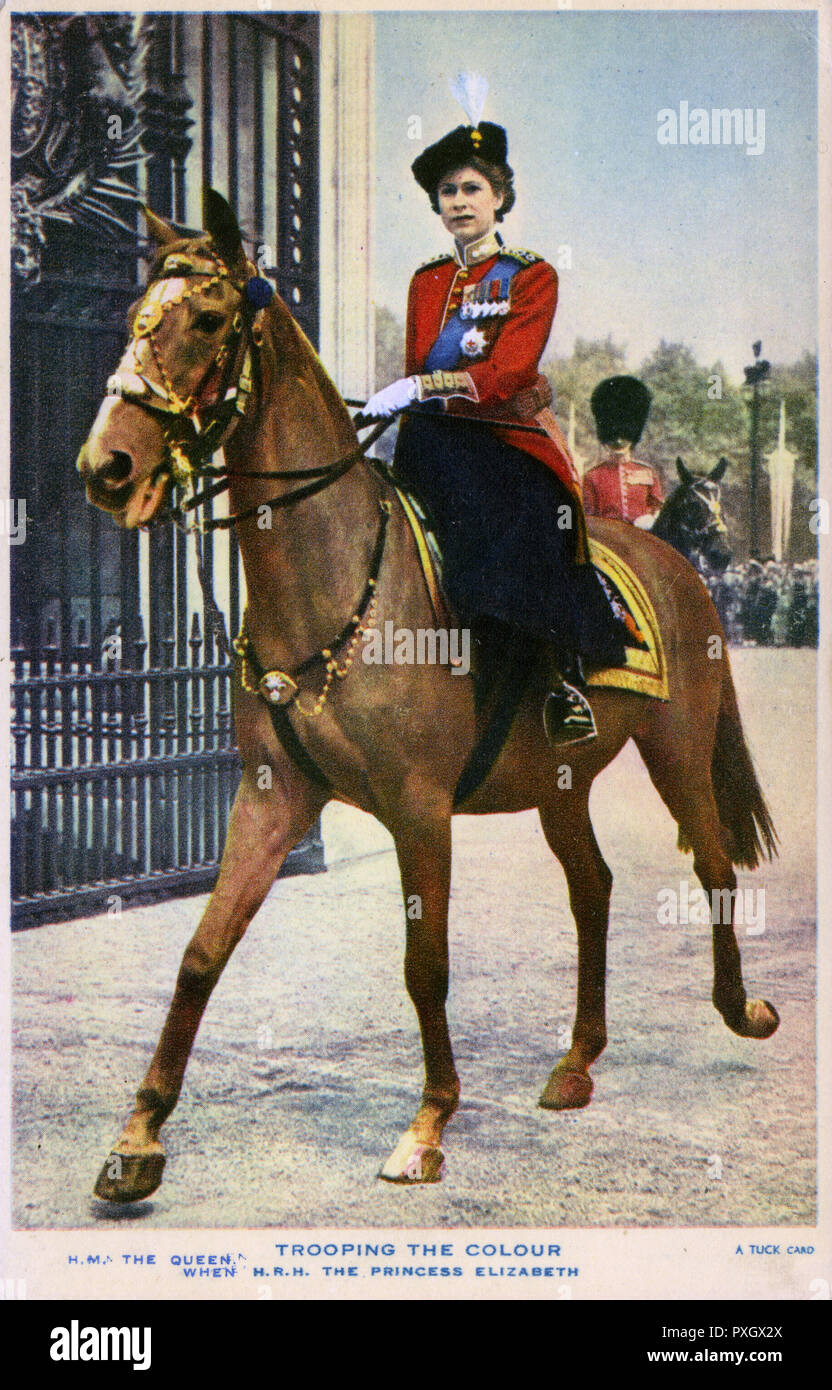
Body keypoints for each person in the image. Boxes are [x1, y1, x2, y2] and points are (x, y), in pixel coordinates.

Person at [362, 116, 627, 745]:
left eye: (472, 189)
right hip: (431, 442)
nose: (459, 202)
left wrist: (424, 389)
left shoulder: (530, 275)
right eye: (448, 192)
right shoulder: (426, 280)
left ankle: (555, 678)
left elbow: (510, 371)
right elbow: (415, 366)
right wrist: (395, 401)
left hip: (505, 440)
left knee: (520, 522)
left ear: (500, 197)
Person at [583, 376, 663, 527]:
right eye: (613, 437)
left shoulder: (648, 473)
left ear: (633, 435)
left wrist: (650, 520)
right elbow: (589, 518)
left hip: (643, 537)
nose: (619, 441)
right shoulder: (592, 477)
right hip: (607, 540)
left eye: (625, 436)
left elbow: (657, 508)